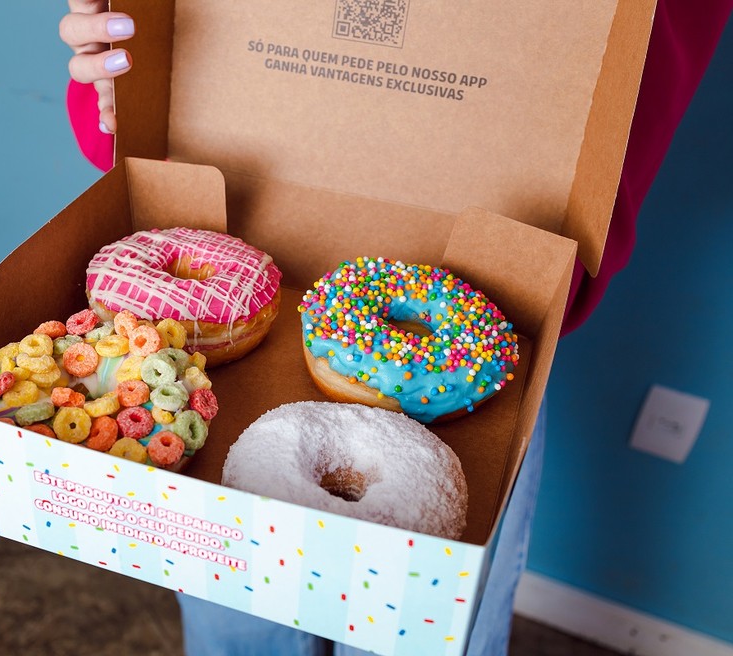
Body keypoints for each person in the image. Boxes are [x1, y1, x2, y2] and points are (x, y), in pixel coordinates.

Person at [58, 1, 732, 653]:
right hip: (222, 239)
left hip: (479, 323)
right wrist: (125, 101)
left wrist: (565, 246)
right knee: (236, 628)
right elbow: (131, 120)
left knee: (418, 633)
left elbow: (651, 51)